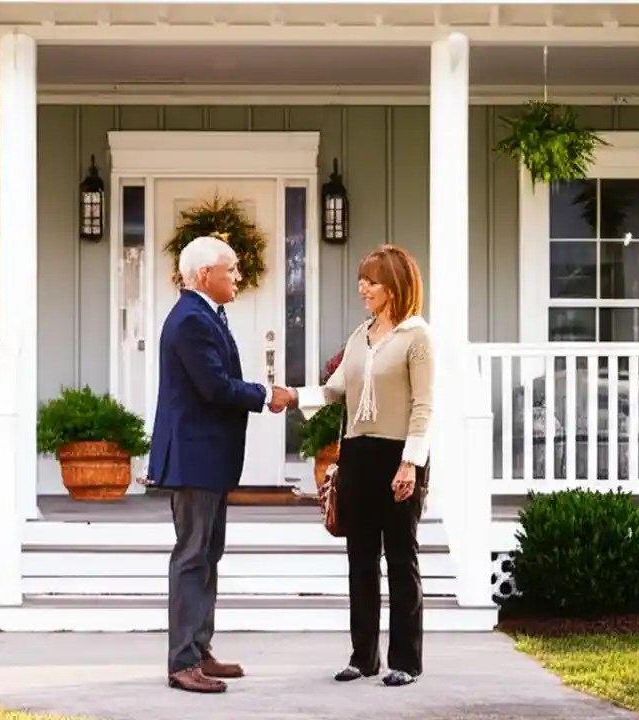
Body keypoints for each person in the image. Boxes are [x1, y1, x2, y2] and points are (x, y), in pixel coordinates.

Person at [147, 235, 294, 694]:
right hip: (193, 460)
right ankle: (182, 662)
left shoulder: (206, 314)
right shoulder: (191, 319)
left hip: (207, 460)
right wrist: (268, 395)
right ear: (204, 274)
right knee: (192, 558)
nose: (237, 277)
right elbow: (214, 386)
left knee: (207, 556)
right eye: (230, 269)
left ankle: (199, 649)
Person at [285, 244, 432, 687]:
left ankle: (405, 661)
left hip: (397, 457)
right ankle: (363, 656)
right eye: (361, 280)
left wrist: (410, 464)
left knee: (402, 558)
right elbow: (334, 390)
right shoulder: (360, 335)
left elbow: (423, 405)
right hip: (357, 455)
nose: (362, 287)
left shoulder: (416, 336)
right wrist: (292, 397)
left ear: (395, 286)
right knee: (360, 559)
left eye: (371, 280)